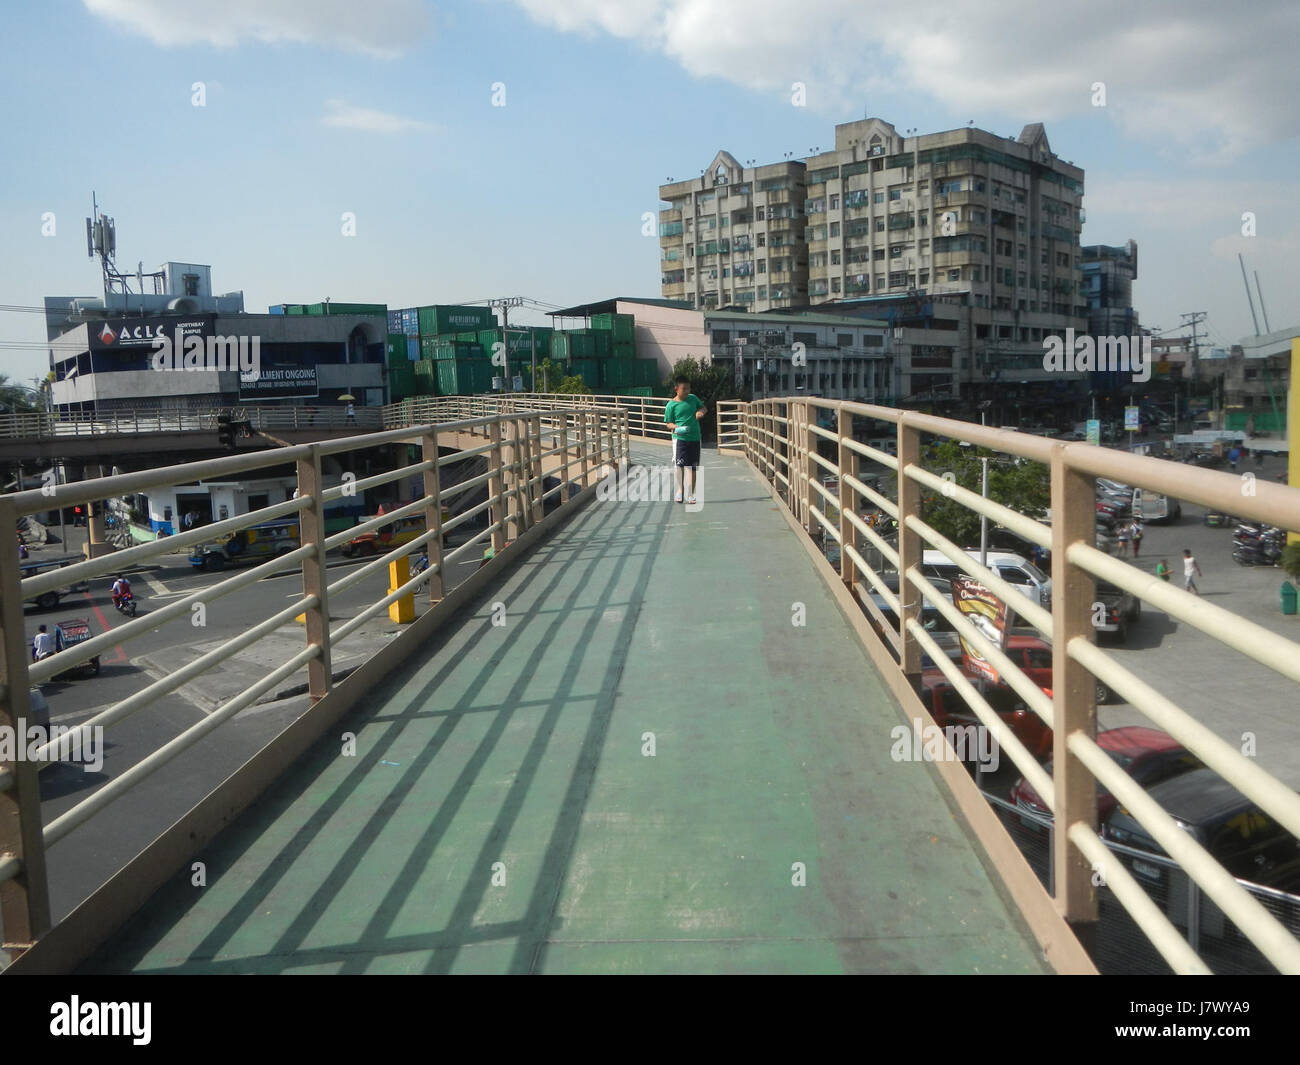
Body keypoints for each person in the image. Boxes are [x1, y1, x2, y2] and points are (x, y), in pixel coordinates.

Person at [663, 376, 706, 505]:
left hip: (695, 438)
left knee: (693, 467)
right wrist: (675, 427)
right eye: (684, 388)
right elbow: (668, 424)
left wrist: (701, 412)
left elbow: (703, 408)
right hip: (679, 439)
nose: (687, 391)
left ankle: (691, 494)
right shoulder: (671, 405)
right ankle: (680, 491)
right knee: (679, 465)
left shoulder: (693, 398)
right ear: (676, 389)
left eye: (688, 388)